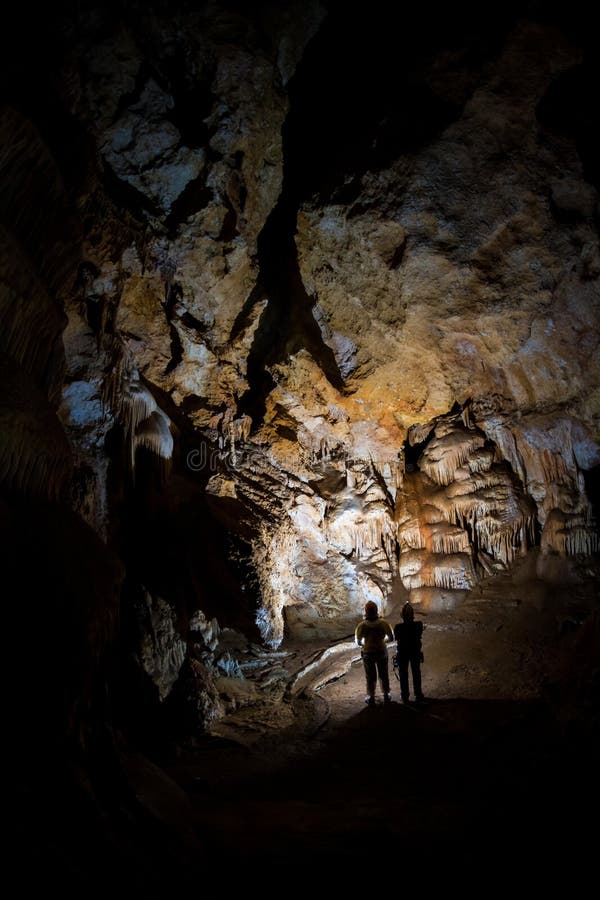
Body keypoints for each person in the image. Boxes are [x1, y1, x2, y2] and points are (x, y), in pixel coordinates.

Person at [355, 600, 394, 705]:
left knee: (370, 676)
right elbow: (391, 638)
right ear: (376, 610)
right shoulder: (384, 624)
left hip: (368, 653)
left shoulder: (361, 626)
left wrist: (365, 644)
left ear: (366, 611)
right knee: (384, 674)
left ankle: (371, 697)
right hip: (381, 651)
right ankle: (386, 695)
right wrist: (382, 641)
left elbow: (358, 642)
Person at [393, 601, 425, 704]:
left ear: (402, 615)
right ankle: (418, 694)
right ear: (412, 615)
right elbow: (419, 635)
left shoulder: (398, 627)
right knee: (416, 673)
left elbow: (396, 638)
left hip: (403, 653)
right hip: (415, 651)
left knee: (403, 674)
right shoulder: (419, 625)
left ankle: (405, 696)